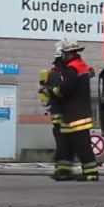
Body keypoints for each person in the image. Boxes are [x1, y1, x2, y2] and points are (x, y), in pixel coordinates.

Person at [51, 39, 99, 182]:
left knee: (82, 145)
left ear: (68, 54)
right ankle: (65, 172)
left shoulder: (72, 69)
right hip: (74, 114)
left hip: (75, 115)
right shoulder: (80, 66)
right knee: (66, 145)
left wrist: (53, 90)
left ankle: (91, 173)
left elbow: (66, 90)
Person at [39, 49, 68, 179]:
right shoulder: (61, 74)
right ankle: (62, 167)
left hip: (56, 113)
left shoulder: (51, 74)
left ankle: (61, 166)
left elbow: (48, 94)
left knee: (60, 140)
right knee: (63, 141)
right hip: (63, 114)